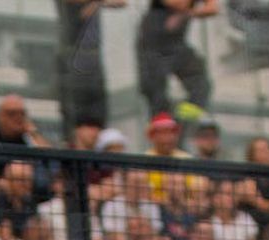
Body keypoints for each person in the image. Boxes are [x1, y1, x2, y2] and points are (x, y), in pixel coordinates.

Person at [54, 0, 124, 141]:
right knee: (73, 114)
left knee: (98, 113)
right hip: (72, 56)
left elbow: (121, 2)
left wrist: (97, 3)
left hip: (91, 58)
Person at [137, 0, 217, 120]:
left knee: (201, 83)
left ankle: (184, 120)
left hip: (176, 43)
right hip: (152, 45)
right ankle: (162, 125)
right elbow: (178, 3)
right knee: (156, 93)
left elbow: (212, 9)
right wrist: (188, 10)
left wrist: (188, 14)